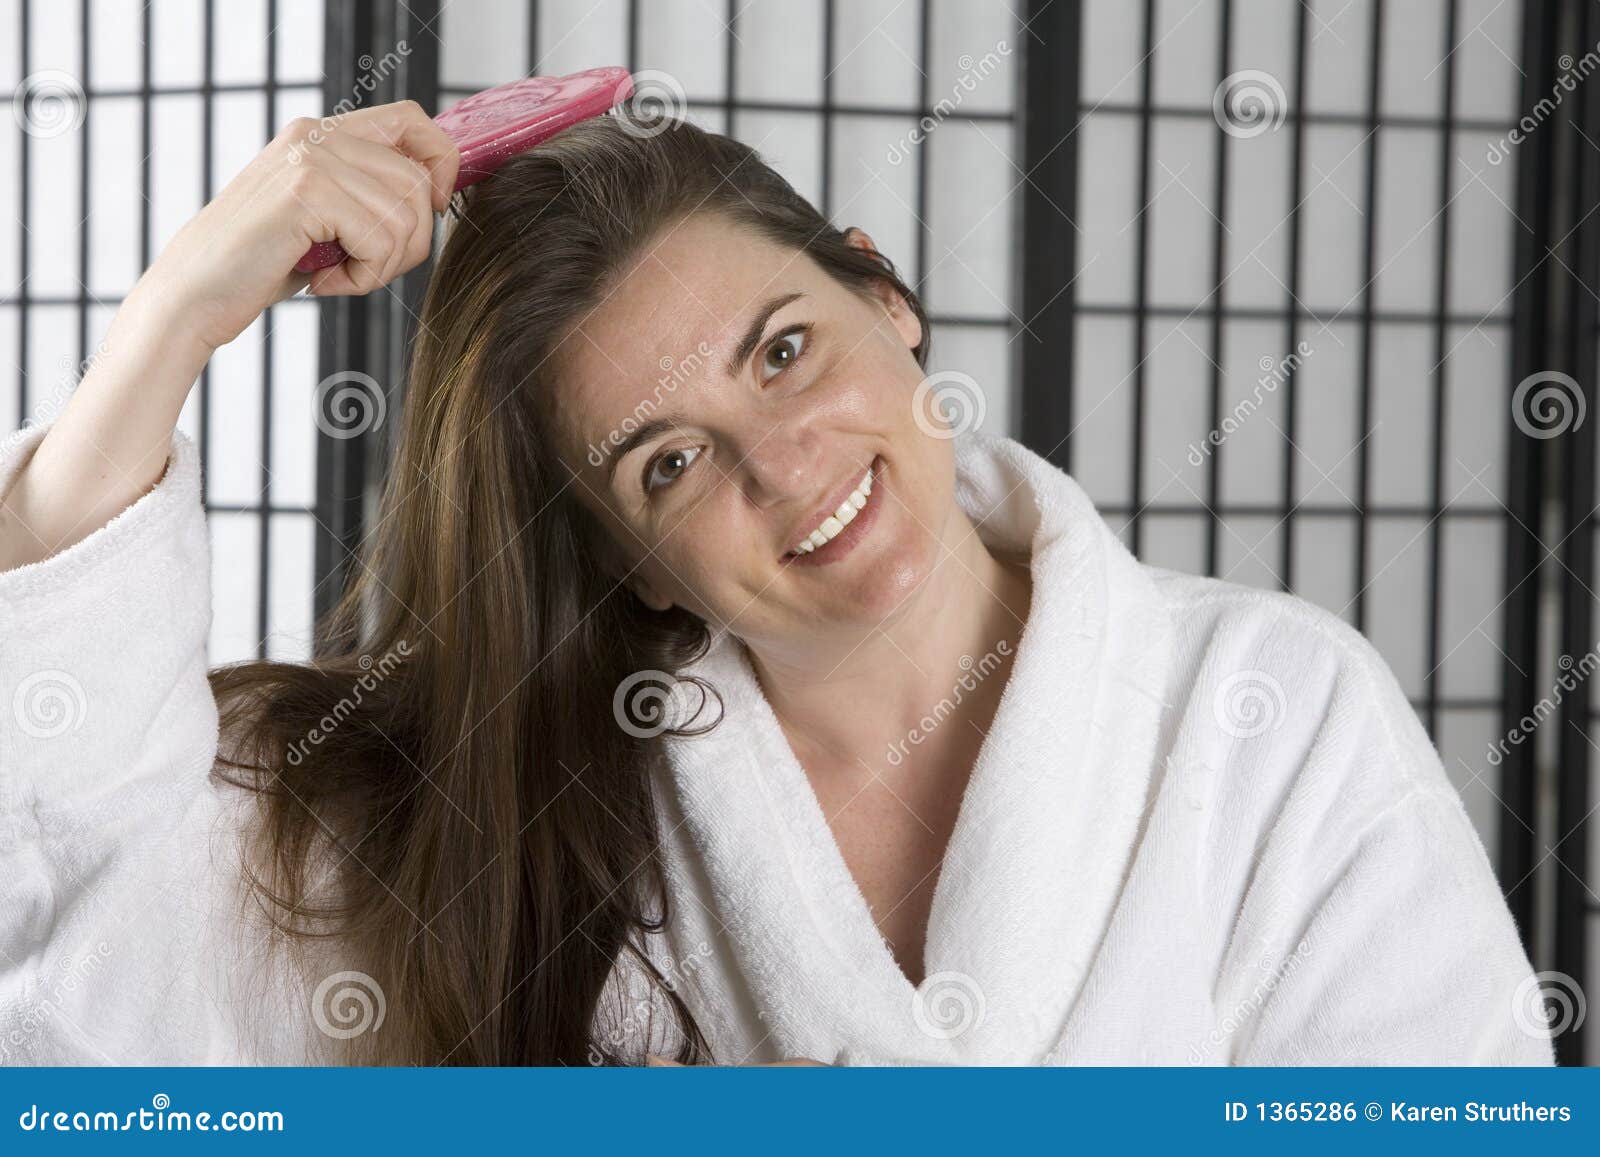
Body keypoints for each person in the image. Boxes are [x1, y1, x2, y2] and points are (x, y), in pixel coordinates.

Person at [0, 100, 1555, 1067]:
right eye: (669, 461)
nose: (785, 464)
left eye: (786, 349)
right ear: (626, 562)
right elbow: (81, 878)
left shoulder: (1269, 714)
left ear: (886, 293)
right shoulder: (517, 819)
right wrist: (174, 313)